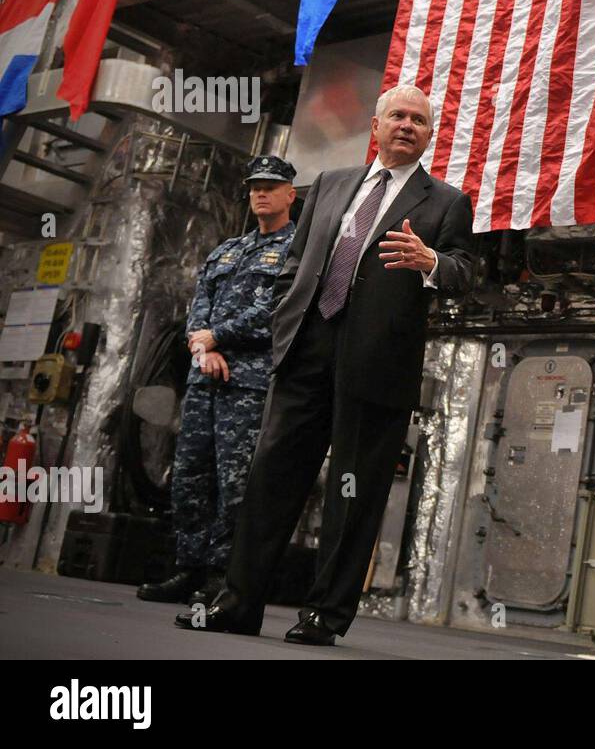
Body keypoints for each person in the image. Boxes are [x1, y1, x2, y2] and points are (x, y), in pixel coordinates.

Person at [176, 84, 474, 645]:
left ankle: (324, 616)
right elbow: (294, 262)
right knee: (270, 481)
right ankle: (237, 604)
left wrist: (432, 260)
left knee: (351, 493)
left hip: (377, 366)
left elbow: (466, 272)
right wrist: (288, 321)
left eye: (418, 119)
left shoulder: (445, 202)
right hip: (306, 352)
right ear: (377, 126)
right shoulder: (332, 185)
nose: (407, 125)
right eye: (397, 116)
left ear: (430, 134)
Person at [138, 156, 297, 606]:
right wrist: (203, 348)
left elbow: (281, 310)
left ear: (290, 194)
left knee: (237, 483)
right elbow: (198, 308)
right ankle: (188, 569)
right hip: (205, 378)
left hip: (247, 386)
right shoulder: (226, 251)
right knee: (190, 475)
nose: (260, 193)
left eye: (271, 186)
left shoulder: (296, 251)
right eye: (254, 187)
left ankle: (224, 578)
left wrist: (219, 337)